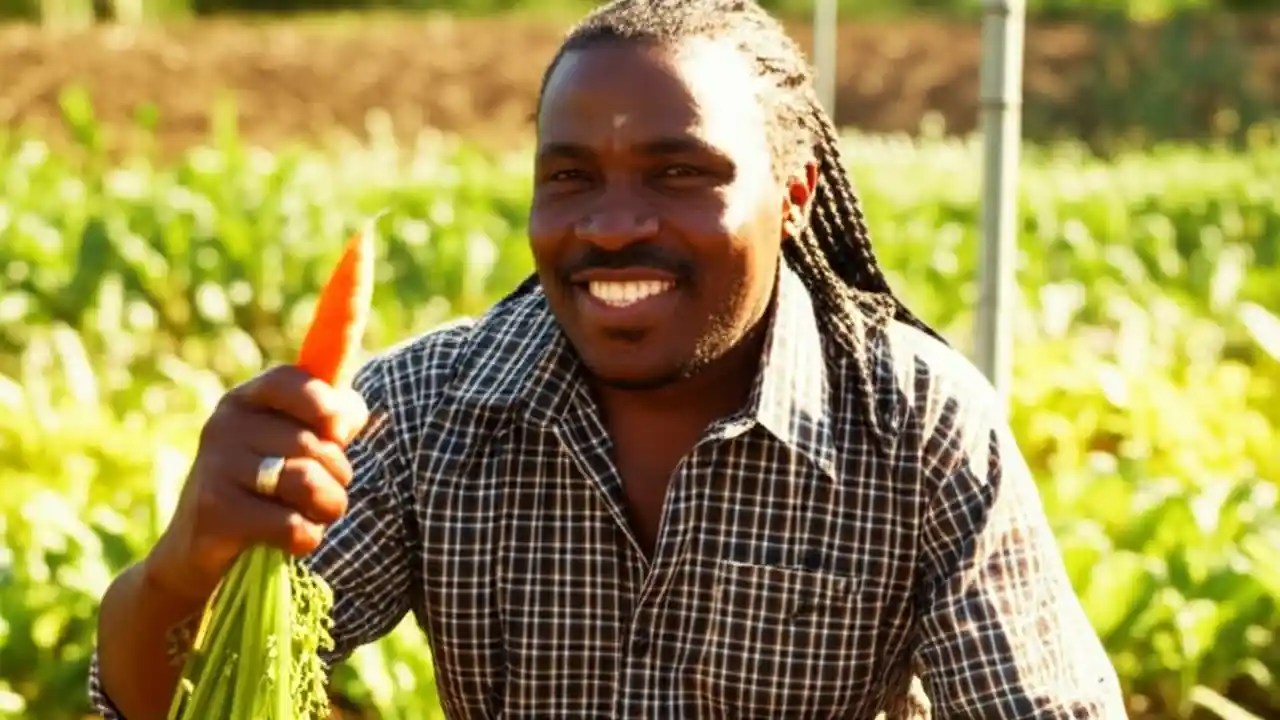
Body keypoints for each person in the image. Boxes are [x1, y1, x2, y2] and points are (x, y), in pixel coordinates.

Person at [88, 0, 1128, 717]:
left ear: (794, 191)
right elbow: (172, 704)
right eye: (571, 176)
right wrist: (186, 564)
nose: (614, 225)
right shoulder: (418, 409)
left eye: (680, 173)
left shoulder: (914, 426)